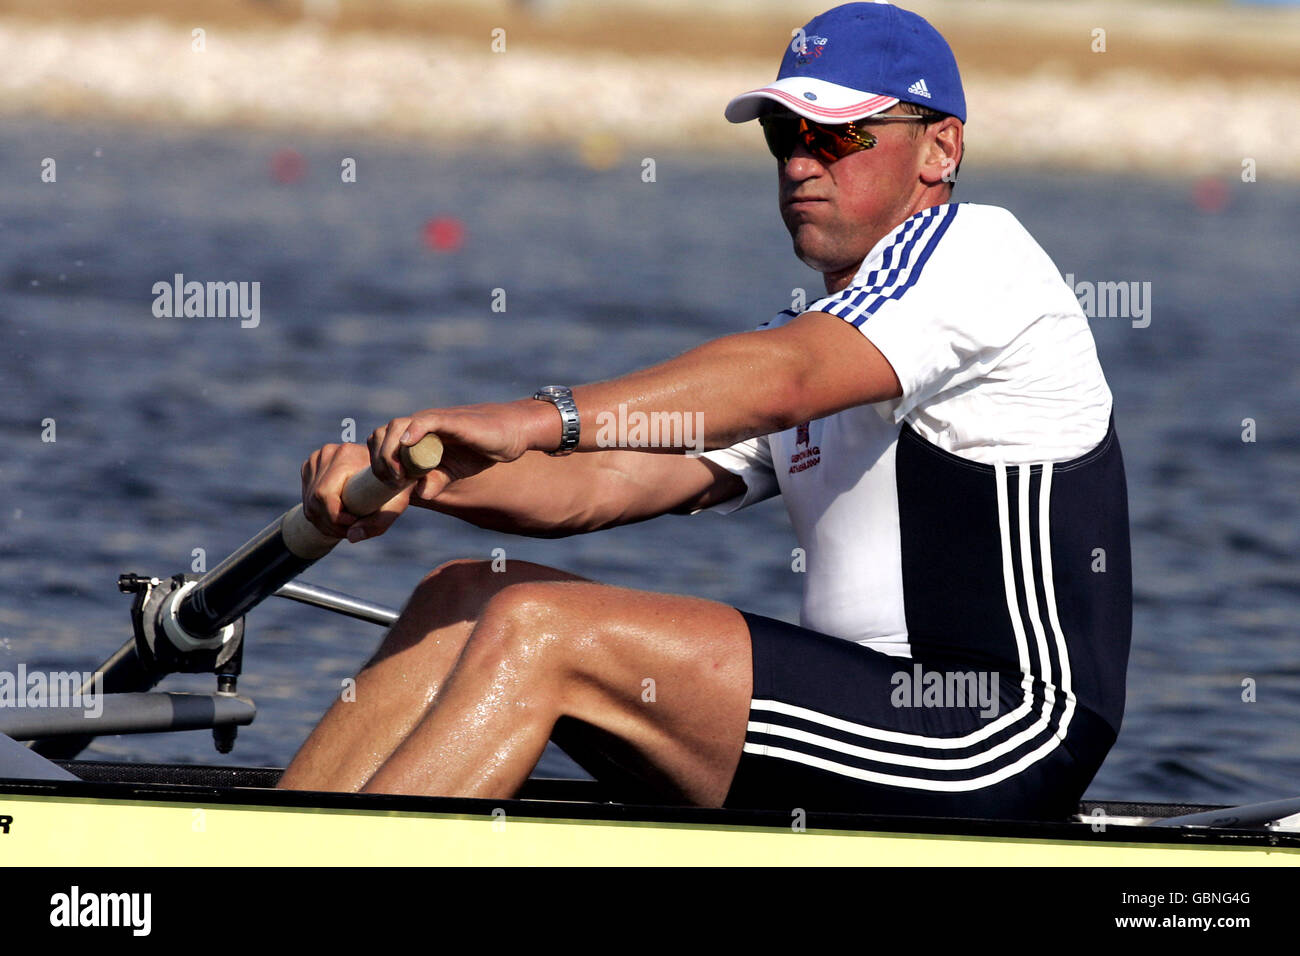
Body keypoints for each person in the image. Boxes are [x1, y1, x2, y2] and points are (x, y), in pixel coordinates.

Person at [277, 2, 1131, 821]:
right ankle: (282, 847)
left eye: (837, 135)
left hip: (997, 734)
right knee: (463, 595)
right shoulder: (820, 339)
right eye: (784, 136)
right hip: (860, 727)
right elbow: (604, 478)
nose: (801, 162)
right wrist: (415, 472)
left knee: (539, 629)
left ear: (940, 148)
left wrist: (536, 415)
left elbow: (781, 379)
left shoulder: (981, 258)